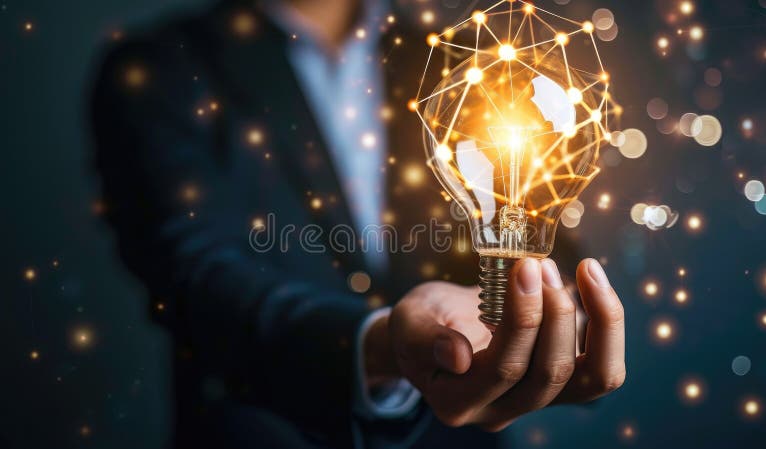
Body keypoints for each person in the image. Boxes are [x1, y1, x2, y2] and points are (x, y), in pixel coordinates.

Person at [89, 0, 625, 447]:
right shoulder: (162, 70)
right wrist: (377, 343)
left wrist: (562, 318)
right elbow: (196, 276)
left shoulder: (453, 65)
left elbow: (541, 228)